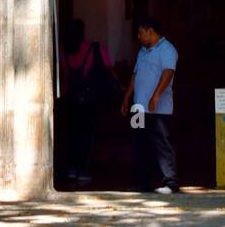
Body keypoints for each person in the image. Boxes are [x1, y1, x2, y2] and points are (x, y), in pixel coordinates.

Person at [121, 16, 179, 194]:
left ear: (150, 31)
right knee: (139, 143)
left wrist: (156, 96)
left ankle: (170, 182)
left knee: (161, 143)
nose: (138, 37)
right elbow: (135, 74)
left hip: (158, 109)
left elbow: (168, 72)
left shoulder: (168, 49)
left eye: (140, 33)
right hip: (138, 108)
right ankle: (142, 183)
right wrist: (127, 97)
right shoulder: (142, 52)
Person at [59, 18, 118, 184]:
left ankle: (72, 168)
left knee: (72, 135)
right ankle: (84, 169)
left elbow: (65, 77)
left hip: (72, 100)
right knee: (88, 136)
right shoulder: (95, 48)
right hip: (92, 101)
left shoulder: (64, 50)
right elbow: (110, 71)